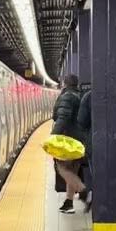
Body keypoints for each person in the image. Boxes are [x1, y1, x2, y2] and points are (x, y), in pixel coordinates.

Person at [51, 74, 86, 213]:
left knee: (62, 168)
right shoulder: (81, 95)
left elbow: (63, 117)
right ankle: (69, 202)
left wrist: (53, 137)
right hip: (79, 140)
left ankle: (84, 192)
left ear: (65, 83)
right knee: (73, 171)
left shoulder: (67, 96)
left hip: (68, 140)